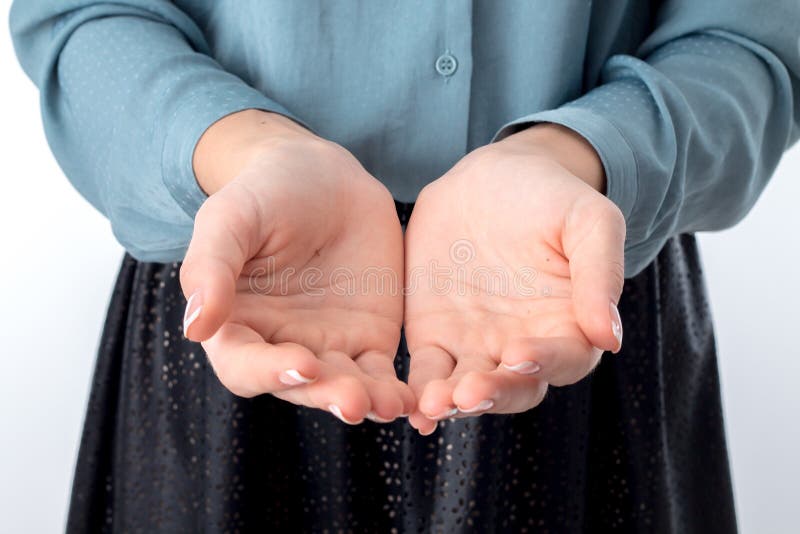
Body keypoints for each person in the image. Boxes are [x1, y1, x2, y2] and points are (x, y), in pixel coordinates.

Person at [10, 1, 799, 532]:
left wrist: (582, 153)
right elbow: (81, 15)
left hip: (568, 296)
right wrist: (245, 150)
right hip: (250, 297)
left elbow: (749, 33)